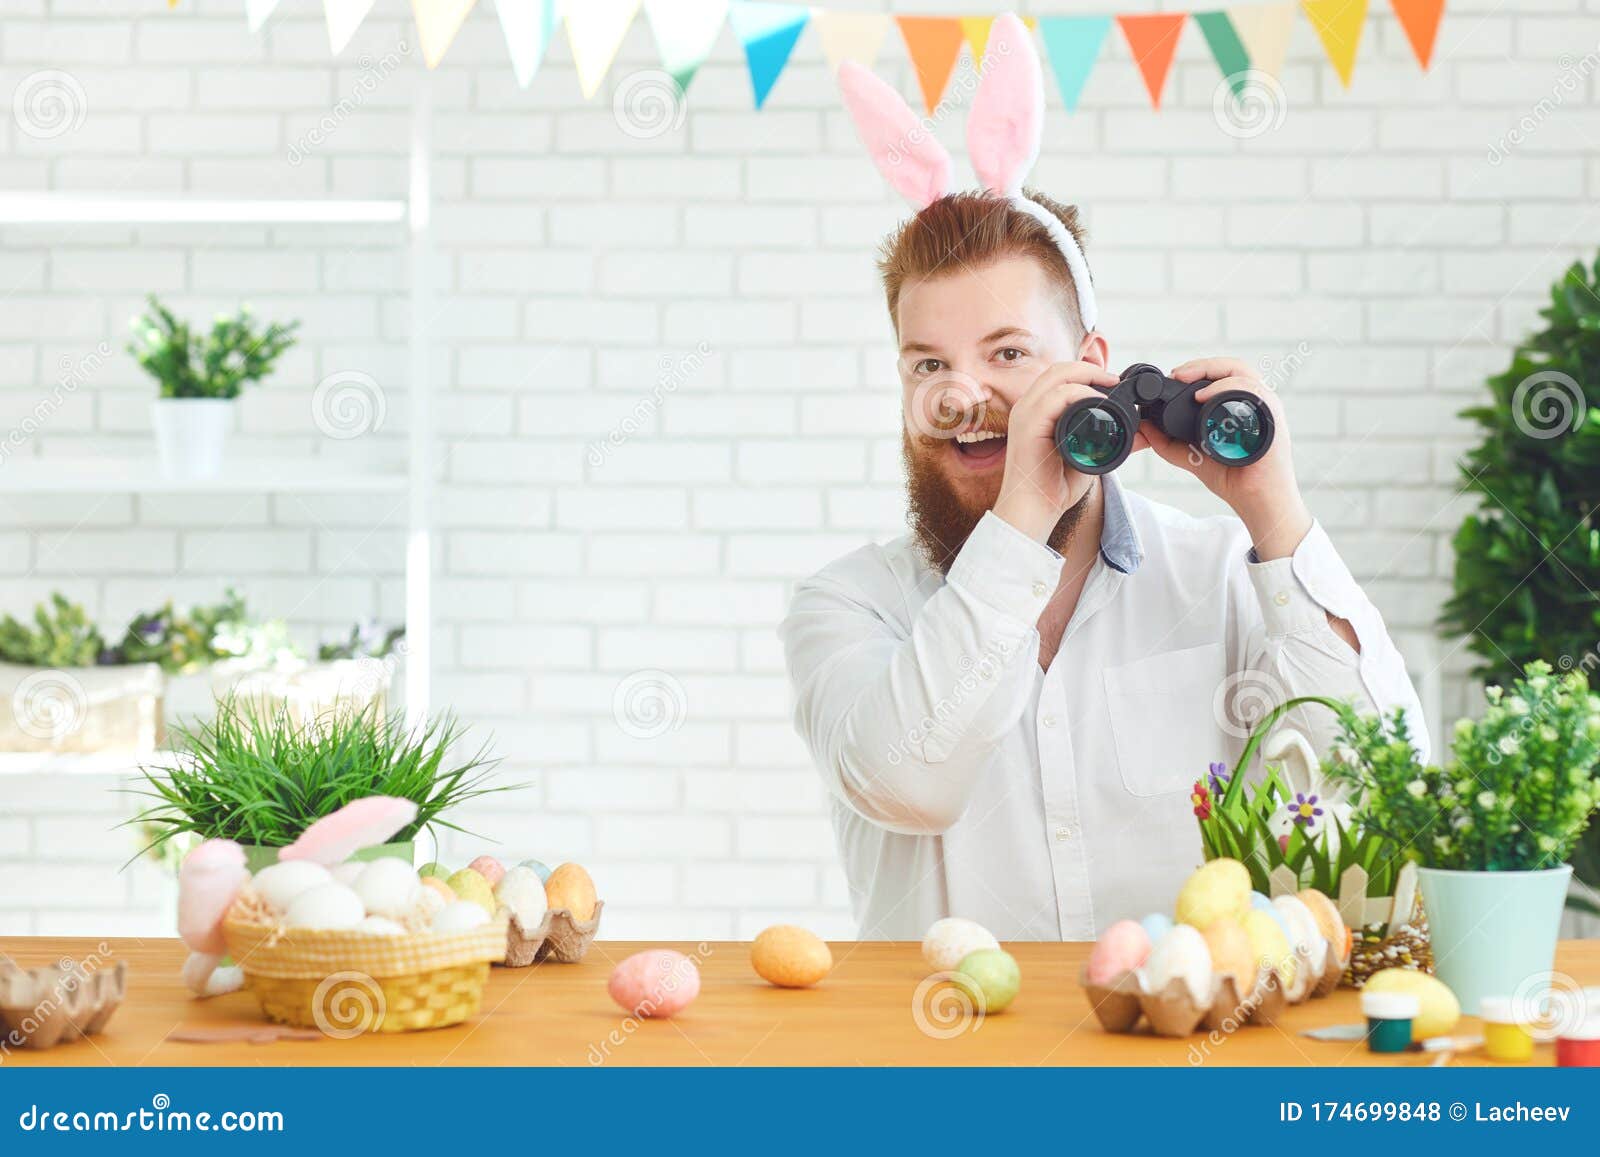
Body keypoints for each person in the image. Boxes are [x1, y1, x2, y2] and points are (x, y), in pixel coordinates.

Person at [778, 14, 1425, 941]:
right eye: (928, 365)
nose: (963, 395)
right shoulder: (845, 608)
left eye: (1007, 353)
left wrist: (1277, 521)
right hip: (941, 1066)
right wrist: (1023, 516)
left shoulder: (1215, 576)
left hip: (1181, 1056)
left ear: (1090, 365)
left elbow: (1378, 795)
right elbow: (910, 780)